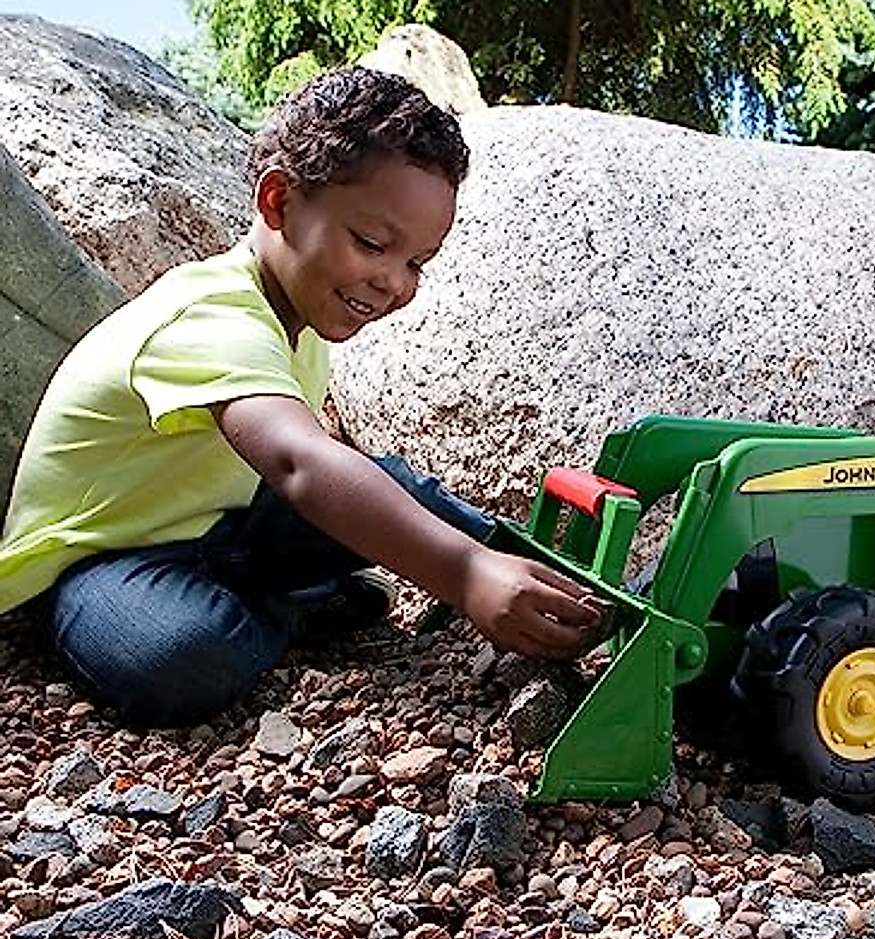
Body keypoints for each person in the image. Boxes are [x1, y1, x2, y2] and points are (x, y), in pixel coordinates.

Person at [0, 65, 599, 727]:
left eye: (417, 262)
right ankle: (296, 604)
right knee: (183, 655)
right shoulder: (209, 314)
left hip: (214, 527)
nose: (394, 283)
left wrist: (464, 550)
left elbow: (318, 471)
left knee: (392, 485)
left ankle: (563, 588)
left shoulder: (299, 318)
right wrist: (460, 574)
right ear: (280, 202)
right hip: (98, 562)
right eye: (373, 244)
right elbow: (299, 462)